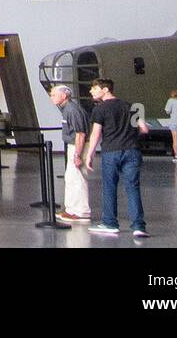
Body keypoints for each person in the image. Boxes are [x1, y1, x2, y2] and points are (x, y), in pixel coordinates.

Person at [84, 78, 149, 237]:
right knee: (133, 188)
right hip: (132, 150)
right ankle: (138, 227)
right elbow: (144, 129)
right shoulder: (131, 106)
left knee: (109, 187)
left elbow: (96, 134)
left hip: (111, 152)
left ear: (105, 90)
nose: (91, 91)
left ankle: (110, 223)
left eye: (94, 88)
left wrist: (90, 154)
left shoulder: (100, 109)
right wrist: (131, 136)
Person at [49, 84, 90, 222]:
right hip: (74, 145)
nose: (51, 97)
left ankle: (81, 211)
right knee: (71, 178)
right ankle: (71, 209)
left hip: (78, 146)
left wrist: (77, 155)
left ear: (64, 95)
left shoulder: (72, 110)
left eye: (54, 94)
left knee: (78, 179)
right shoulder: (67, 109)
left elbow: (81, 134)